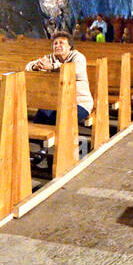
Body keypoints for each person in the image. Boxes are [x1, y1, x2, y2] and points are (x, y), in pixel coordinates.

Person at [24, 33, 91, 166]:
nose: (58, 45)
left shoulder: (78, 57)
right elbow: (28, 66)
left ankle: (77, 149)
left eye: (61, 43)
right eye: (55, 43)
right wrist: (37, 66)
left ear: (70, 46)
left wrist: (52, 67)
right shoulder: (50, 57)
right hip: (56, 102)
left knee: (61, 119)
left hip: (79, 103)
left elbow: (74, 71)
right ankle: (40, 152)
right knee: (41, 115)